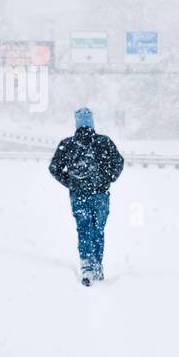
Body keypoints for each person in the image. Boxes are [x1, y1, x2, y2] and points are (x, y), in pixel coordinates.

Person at [48, 107, 124, 286]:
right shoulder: (104, 142)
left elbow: (54, 168)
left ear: (77, 123)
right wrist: (109, 178)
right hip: (100, 195)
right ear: (92, 123)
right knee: (98, 230)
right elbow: (119, 163)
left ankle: (86, 267)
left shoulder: (67, 144)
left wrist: (71, 183)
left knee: (84, 230)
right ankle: (97, 266)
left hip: (78, 196)